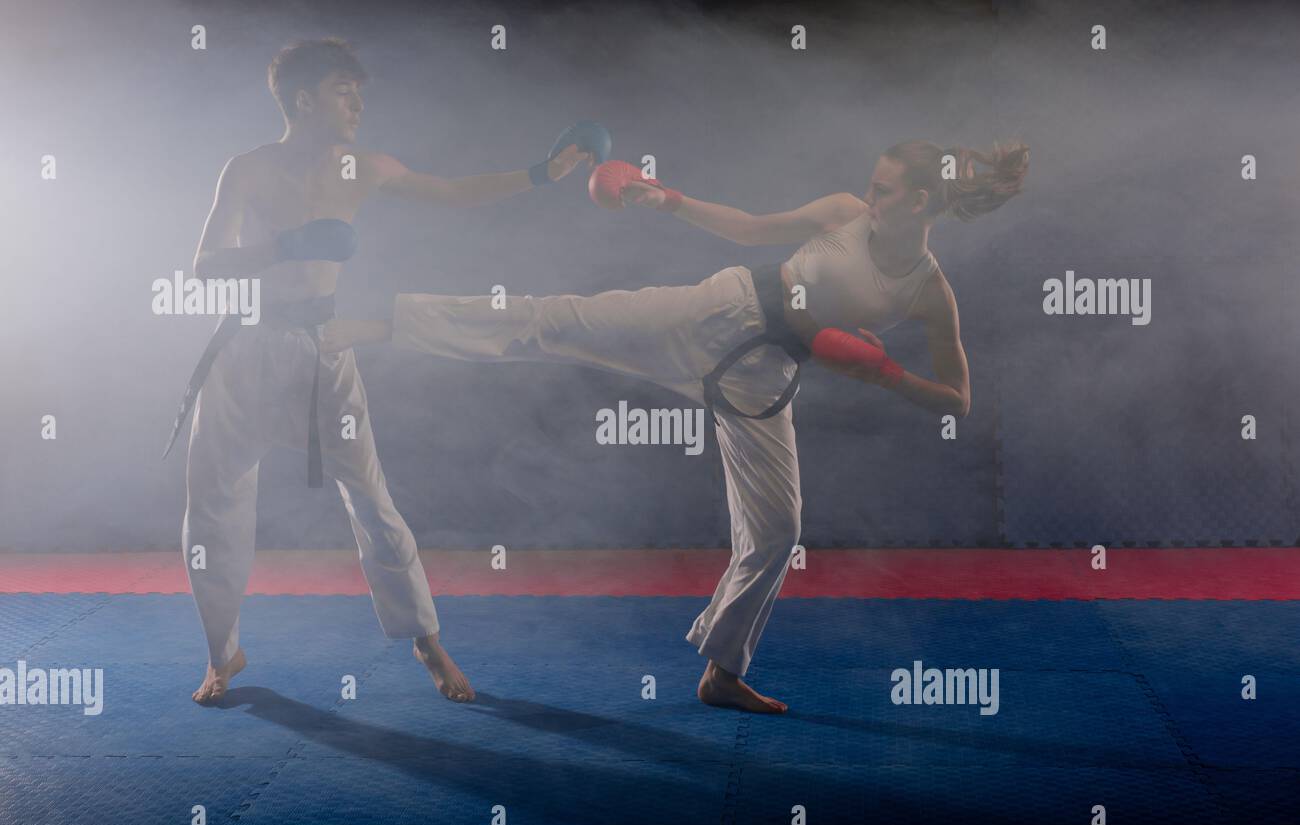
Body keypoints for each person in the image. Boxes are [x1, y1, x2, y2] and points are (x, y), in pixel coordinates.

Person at [319, 140, 1030, 713]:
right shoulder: (844, 213)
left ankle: (723, 671)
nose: (869, 195)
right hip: (723, 311)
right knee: (557, 320)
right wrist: (671, 199)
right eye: (871, 184)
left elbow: (958, 401)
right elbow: (752, 229)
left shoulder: (929, 291)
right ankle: (385, 324)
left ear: (918, 201)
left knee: (779, 532)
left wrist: (887, 375)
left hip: (766, 373)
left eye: (882, 189)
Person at [172, 37, 604, 705]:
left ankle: (426, 641)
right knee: (212, 506)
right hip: (246, 352)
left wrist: (543, 173)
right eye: (346, 93)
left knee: (373, 502)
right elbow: (202, 265)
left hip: (324, 346)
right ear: (304, 99)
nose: (358, 105)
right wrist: (282, 247)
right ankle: (221, 654)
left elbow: (456, 192)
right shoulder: (248, 170)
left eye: (361, 93)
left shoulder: (362, 168)